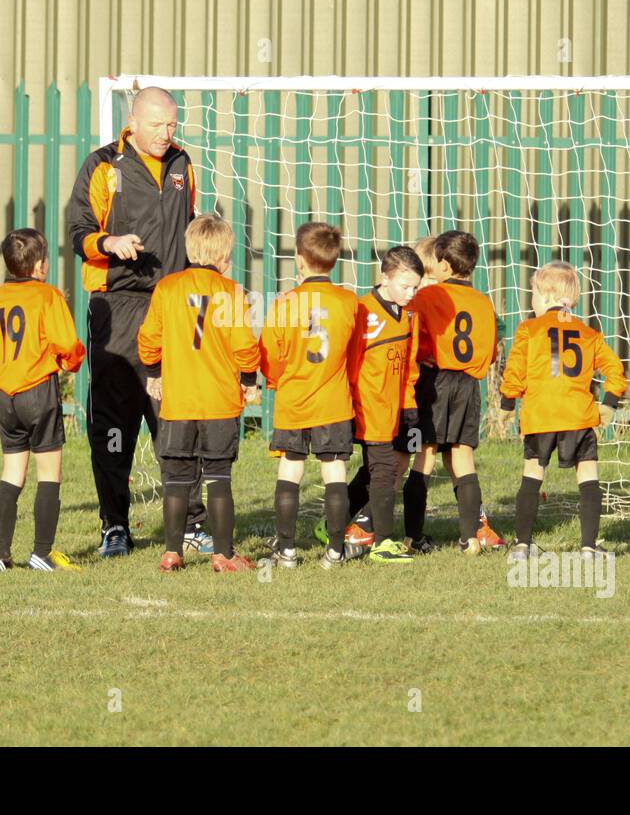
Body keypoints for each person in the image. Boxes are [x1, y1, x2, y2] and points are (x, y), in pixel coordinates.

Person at [68, 86, 209, 558]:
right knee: (114, 421)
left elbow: (187, 227)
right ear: (133, 121)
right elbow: (77, 231)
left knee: (175, 413)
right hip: (118, 305)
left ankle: (190, 523)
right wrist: (108, 244)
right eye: (157, 125)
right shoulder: (103, 165)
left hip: (170, 304)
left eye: (172, 125)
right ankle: (115, 527)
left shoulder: (182, 164)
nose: (167, 134)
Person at [137, 215, 260, 572]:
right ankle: (223, 554)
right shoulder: (232, 292)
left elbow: (149, 339)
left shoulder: (167, 288)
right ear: (223, 257)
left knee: (176, 479)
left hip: (178, 402)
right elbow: (245, 347)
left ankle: (172, 552)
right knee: (218, 478)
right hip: (219, 402)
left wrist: (152, 372)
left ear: (191, 250)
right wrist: (249, 380)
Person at [498, 260, 627, 558]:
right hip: (577, 416)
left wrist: (507, 401)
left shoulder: (529, 329)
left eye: (532, 294)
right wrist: (609, 401)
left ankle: (522, 545)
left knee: (532, 474)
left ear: (545, 296)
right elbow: (615, 369)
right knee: (588, 477)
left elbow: (515, 369)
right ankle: (588, 547)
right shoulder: (588, 333)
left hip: (540, 414)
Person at [0, 229, 85, 572]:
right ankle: (41, 553)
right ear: (40, 265)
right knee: (49, 475)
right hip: (39, 391)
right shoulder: (48, 296)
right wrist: (71, 362)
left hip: (6, 398)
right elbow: (67, 344)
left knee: (12, 473)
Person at [259, 222, 360, 570]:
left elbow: (270, 355)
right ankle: (335, 550)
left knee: (291, 469)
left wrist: (275, 381)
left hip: (294, 401)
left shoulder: (285, 303)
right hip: (333, 401)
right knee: (335, 472)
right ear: (333, 260)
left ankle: (286, 550)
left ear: (300, 261)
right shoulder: (349, 302)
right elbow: (356, 351)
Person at [404, 230, 505, 554]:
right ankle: (470, 537)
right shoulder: (483, 302)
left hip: (432, 384)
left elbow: (414, 340)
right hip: (467, 386)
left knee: (424, 456)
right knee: (463, 457)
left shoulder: (427, 298)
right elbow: (491, 351)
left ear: (444, 265)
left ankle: (412, 536)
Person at [346, 246, 424, 564]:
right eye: (405, 286)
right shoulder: (362, 310)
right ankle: (383, 541)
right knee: (385, 469)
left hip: (395, 409)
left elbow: (409, 366)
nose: (410, 293)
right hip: (368, 405)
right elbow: (350, 361)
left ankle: (332, 524)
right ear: (384, 278)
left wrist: (409, 406)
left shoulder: (409, 315)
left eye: (416, 287)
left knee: (373, 471)